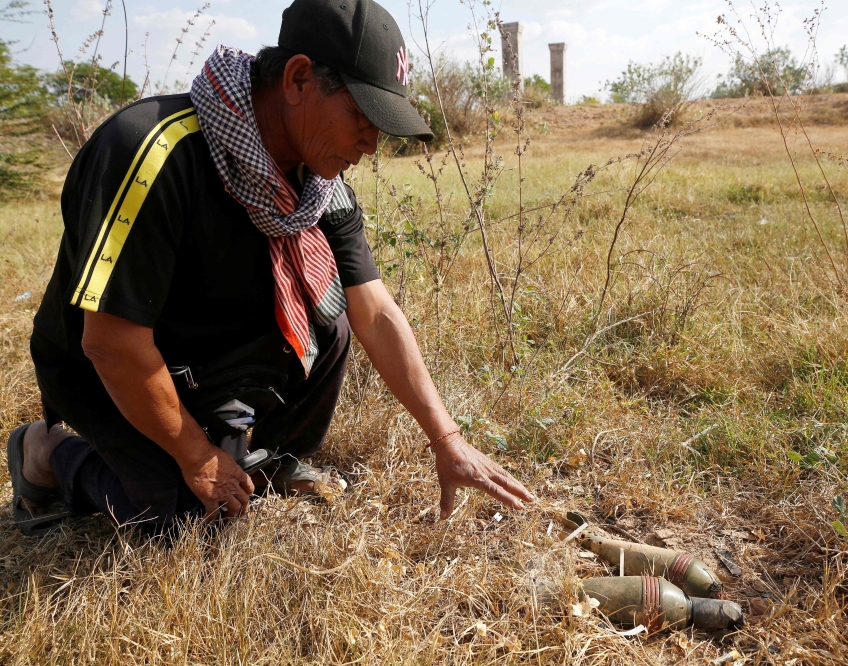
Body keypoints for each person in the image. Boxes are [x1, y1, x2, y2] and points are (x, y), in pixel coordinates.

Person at [7, 0, 533, 536]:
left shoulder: (318, 184)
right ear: (299, 79)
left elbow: (374, 311)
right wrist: (196, 456)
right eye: (360, 115)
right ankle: (48, 453)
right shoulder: (153, 153)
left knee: (332, 314)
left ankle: (262, 454)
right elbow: (110, 343)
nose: (371, 144)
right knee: (185, 522)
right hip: (109, 367)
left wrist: (446, 439)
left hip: (207, 352)